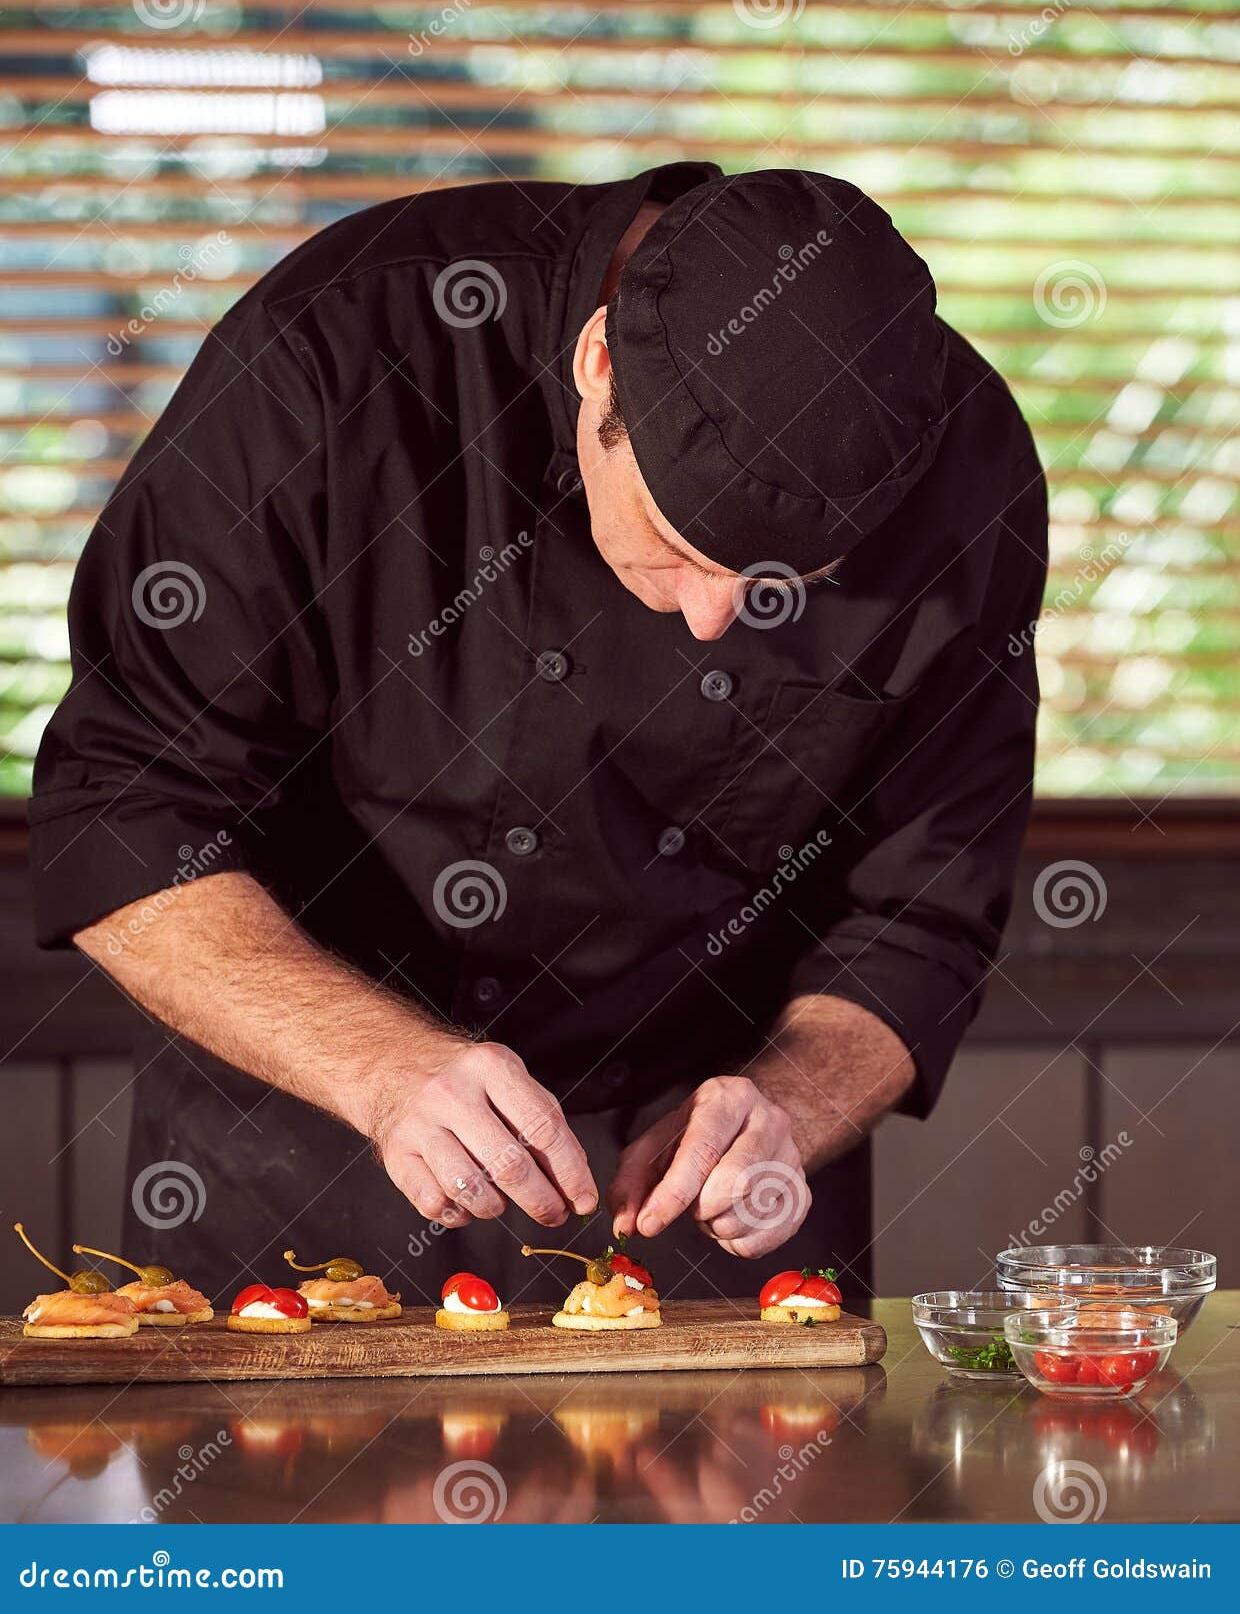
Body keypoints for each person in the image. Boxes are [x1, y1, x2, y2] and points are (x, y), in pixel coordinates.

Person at [30, 164, 1046, 1303]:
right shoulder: (332, 358)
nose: (717, 618)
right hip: (300, 1150)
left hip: (701, 1194)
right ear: (596, 363)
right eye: (679, 547)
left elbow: (923, 911)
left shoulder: (970, 475)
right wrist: (375, 1062)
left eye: (780, 587)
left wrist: (794, 1103)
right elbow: (121, 802)